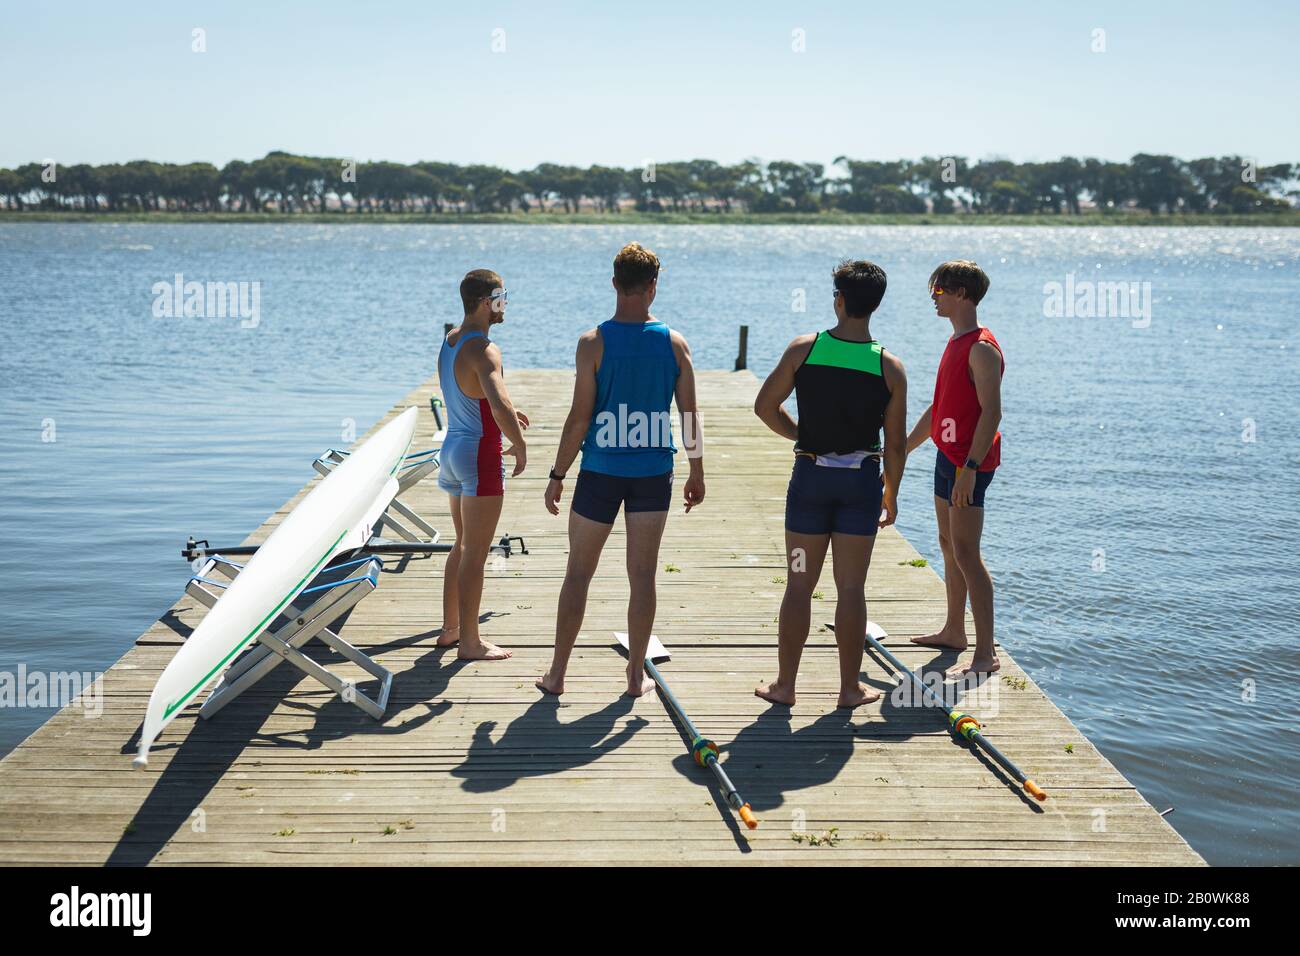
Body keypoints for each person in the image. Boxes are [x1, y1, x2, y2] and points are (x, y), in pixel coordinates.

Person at [536, 242, 705, 697]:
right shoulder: (674, 343)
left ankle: (557, 675)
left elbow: (579, 418)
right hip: (653, 472)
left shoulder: (593, 342)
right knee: (643, 575)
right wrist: (697, 471)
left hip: (601, 472)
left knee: (577, 573)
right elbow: (689, 415)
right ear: (653, 286)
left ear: (614, 283)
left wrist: (557, 474)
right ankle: (634, 676)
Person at [754, 260, 908, 708]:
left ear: (839, 300)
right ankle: (848, 688)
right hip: (861, 487)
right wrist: (891, 492)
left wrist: (801, 435)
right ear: (874, 306)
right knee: (852, 589)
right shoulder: (890, 368)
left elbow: (765, 406)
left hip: (810, 483)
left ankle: (785, 687)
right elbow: (894, 445)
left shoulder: (805, 349)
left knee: (799, 583)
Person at [904, 260, 1004, 678]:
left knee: (967, 552)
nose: (934, 296)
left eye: (941, 289)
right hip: (948, 457)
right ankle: (953, 630)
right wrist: (902, 450)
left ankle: (985, 655)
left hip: (970, 464)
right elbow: (940, 408)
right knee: (948, 544)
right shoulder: (955, 341)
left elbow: (992, 414)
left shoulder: (981, 347)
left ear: (962, 293)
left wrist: (970, 467)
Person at [435, 268, 528, 661]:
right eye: (502, 296)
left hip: (453, 449)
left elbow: (474, 395)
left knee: (461, 545)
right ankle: (470, 643)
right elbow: (497, 399)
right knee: (476, 552)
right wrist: (519, 444)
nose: (505, 304)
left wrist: (505, 413)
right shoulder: (485, 348)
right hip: (477, 456)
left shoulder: (451, 341)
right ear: (487, 302)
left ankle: (451, 629)